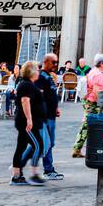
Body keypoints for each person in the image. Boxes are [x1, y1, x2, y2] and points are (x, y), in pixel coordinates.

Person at [10, 60, 47, 186]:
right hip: (27, 123)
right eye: (37, 69)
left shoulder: (27, 84)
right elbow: (25, 101)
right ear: (31, 72)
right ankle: (34, 174)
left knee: (21, 147)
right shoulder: (26, 85)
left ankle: (16, 176)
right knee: (38, 146)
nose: (39, 71)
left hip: (26, 122)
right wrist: (29, 119)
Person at [72, 54, 103, 159]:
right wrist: (101, 104)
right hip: (93, 103)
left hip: (88, 101)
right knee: (89, 125)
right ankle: (80, 148)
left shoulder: (92, 71)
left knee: (87, 124)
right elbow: (97, 90)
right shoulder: (97, 74)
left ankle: (78, 148)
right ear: (101, 63)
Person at [37, 53, 63, 181]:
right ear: (45, 61)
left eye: (56, 62)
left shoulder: (48, 76)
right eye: (53, 62)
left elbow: (50, 94)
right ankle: (48, 169)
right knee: (47, 143)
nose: (55, 65)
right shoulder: (41, 76)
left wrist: (56, 108)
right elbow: (40, 96)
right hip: (46, 116)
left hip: (51, 115)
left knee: (49, 143)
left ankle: (48, 168)